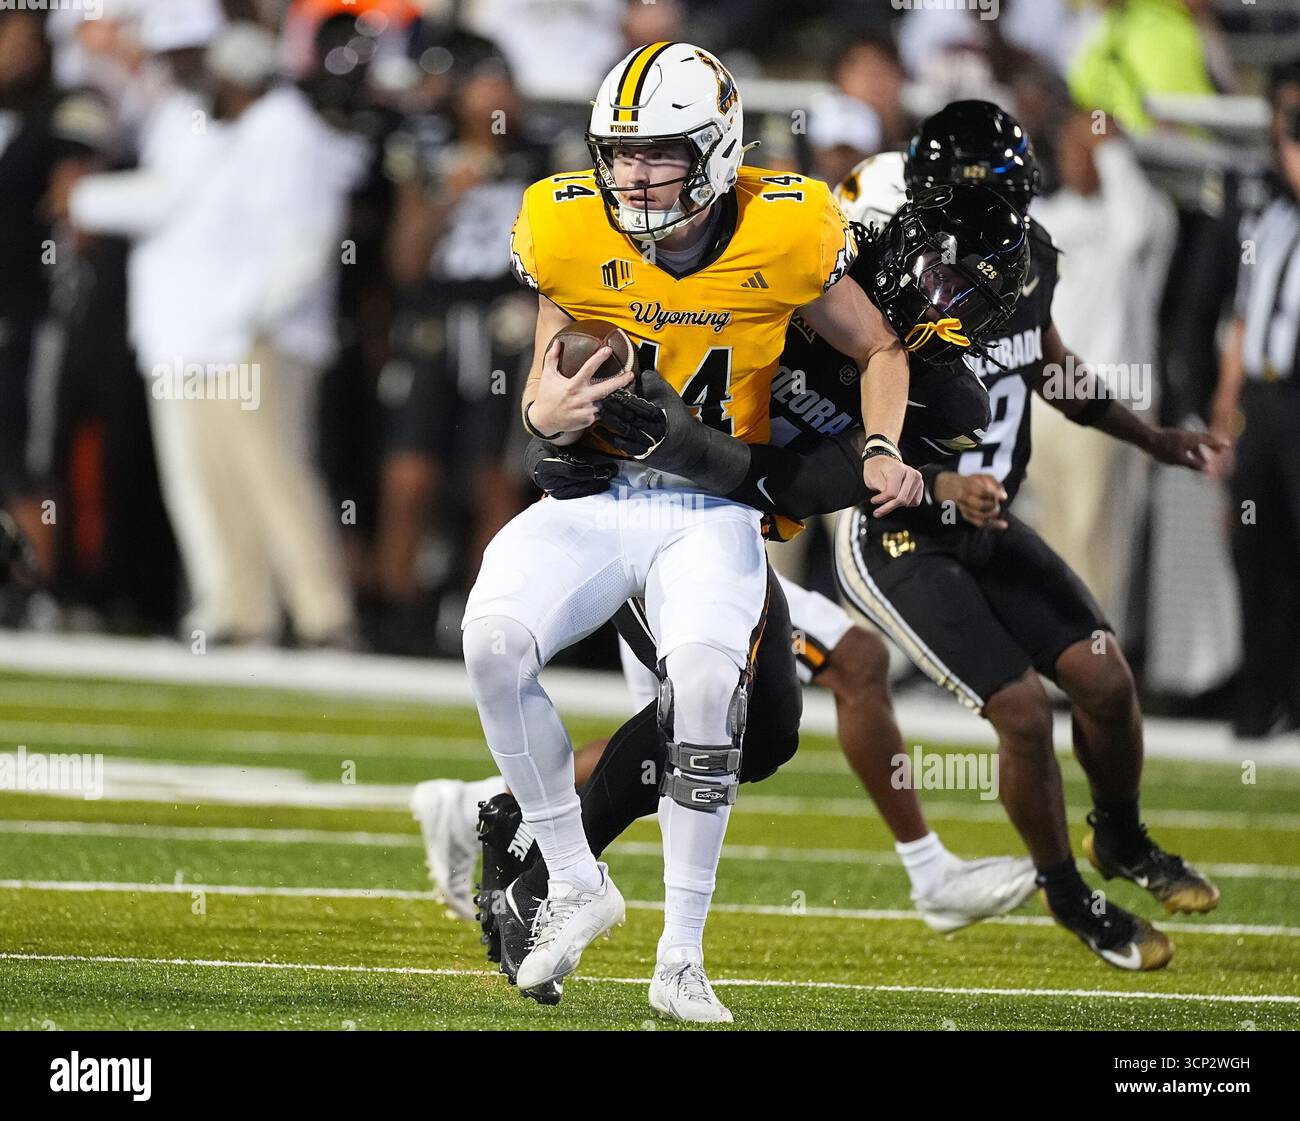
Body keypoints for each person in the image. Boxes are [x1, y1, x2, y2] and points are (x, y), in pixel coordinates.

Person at [460, 41, 919, 1021]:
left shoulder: (789, 226)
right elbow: (547, 384)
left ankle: (681, 954)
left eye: (657, 152)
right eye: (618, 152)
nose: (632, 172)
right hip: (600, 497)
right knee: (493, 640)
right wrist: (550, 417)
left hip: (710, 506)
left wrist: (879, 444)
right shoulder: (565, 227)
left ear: (714, 150)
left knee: (710, 683)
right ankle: (576, 875)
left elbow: (877, 343)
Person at [1206, 59, 1300, 741]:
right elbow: (1241, 324)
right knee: (1253, 546)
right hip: (1264, 405)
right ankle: (1260, 691)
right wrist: (1223, 417)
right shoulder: (1267, 219)